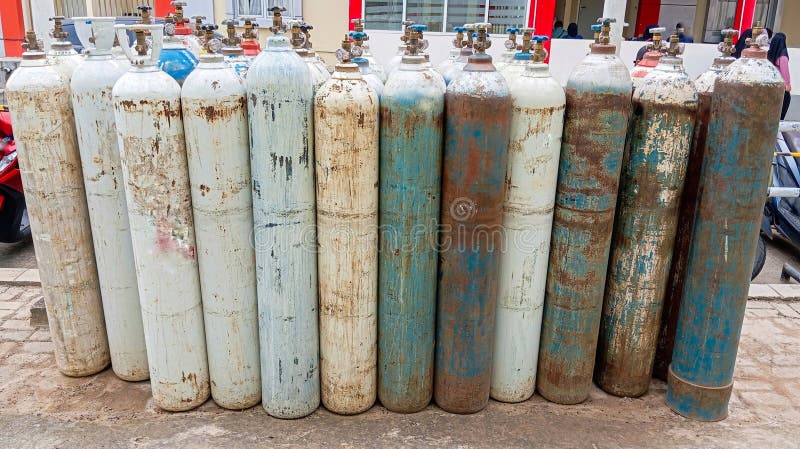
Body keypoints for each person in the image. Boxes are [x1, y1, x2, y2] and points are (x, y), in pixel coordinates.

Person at [768, 32, 792, 119]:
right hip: (781, 85)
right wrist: (788, 84)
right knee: (785, 102)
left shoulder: (769, 53)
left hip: (770, 83)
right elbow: (784, 71)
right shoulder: (783, 55)